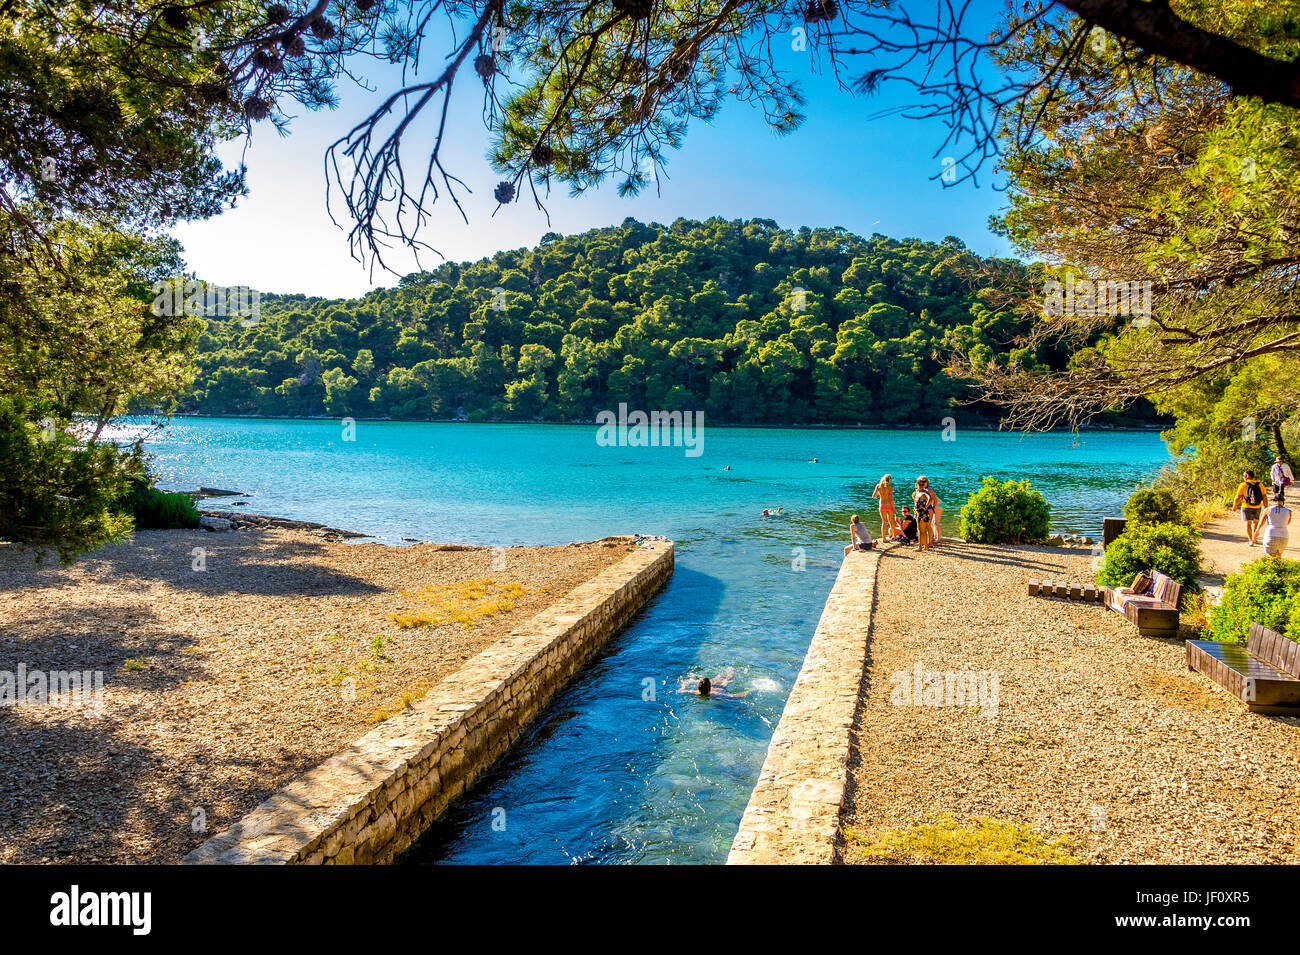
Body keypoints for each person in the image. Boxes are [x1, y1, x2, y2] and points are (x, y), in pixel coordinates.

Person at [1233, 470, 1268, 546]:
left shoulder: (1243, 485)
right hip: (1257, 506)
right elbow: (1264, 496)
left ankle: (1250, 540)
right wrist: (1266, 507)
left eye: (1243, 475)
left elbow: (1238, 496)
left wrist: (1235, 505)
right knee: (1256, 522)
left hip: (1246, 506)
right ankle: (1254, 538)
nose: (1243, 477)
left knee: (1248, 524)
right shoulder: (1260, 484)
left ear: (1247, 476)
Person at [678, 666, 750, 699]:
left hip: (713, 688)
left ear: (698, 687)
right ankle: (732, 670)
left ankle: (729, 671)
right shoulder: (715, 694)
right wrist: (747, 692)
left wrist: (683, 685)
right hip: (722, 687)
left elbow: (679, 691)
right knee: (726, 679)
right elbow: (732, 696)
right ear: (709, 687)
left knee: (718, 678)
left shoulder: (695, 692)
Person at [1263, 493, 1292, 558]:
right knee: (1279, 556)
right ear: (1283, 501)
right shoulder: (1289, 511)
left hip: (1271, 534)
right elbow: (1288, 523)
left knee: (1271, 557)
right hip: (1284, 536)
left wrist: (1256, 532)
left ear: (1274, 501)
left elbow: (1261, 523)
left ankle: (1274, 568)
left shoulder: (1268, 509)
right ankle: (1280, 568)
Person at [918, 475, 943, 543]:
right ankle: (935, 537)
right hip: (935, 505)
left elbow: (935, 500)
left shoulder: (928, 489)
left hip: (939, 505)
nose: (923, 482)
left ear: (927, 482)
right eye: (921, 481)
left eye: (924, 481)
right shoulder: (922, 490)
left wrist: (933, 508)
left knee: (935, 522)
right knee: (933, 522)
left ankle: (938, 538)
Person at [873, 474, 898, 538]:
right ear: (889, 479)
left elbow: (874, 496)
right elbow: (891, 499)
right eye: (891, 479)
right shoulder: (890, 487)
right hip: (889, 505)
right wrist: (894, 508)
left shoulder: (878, 486)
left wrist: (880, 493)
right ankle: (894, 536)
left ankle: (884, 538)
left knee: (884, 522)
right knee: (891, 521)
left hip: (882, 505)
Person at [913, 481, 935, 552]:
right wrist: (915, 508)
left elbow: (930, 498)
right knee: (920, 530)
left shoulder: (924, 493)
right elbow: (916, 502)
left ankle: (922, 547)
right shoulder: (916, 492)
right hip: (918, 513)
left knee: (922, 530)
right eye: (919, 484)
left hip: (923, 513)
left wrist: (926, 506)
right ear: (916, 485)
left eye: (922, 484)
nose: (921, 485)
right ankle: (924, 546)